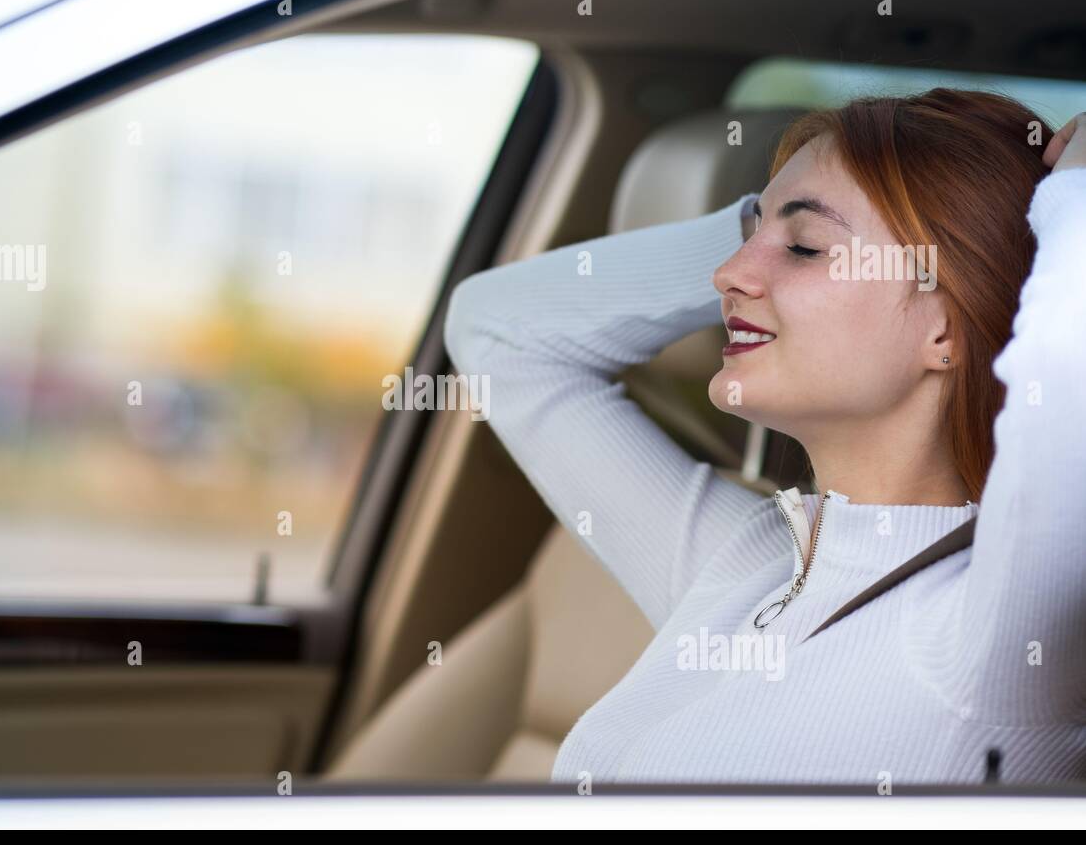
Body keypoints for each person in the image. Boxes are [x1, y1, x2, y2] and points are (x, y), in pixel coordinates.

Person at [443, 89, 1086, 784]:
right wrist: (763, 225)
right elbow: (496, 329)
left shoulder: (1001, 641)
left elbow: (1064, 374)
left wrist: (1077, 194)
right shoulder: (748, 568)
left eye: (806, 247)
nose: (728, 275)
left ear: (947, 329)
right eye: (748, 237)